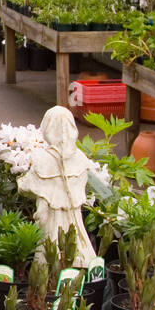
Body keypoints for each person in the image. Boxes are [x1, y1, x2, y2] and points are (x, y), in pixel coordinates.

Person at [17, 106, 96, 266]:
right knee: (77, 248)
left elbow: (29, 187)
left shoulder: (43, 159)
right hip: (74, 216)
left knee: (49, 252)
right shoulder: (80, 158)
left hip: (51, 217)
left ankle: (51, 281)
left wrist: (21, 181)